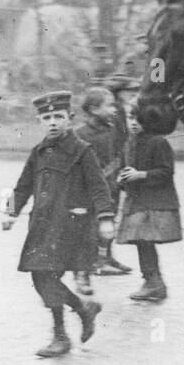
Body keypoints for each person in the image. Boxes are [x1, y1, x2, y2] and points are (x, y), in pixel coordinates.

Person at [3, 91, 111, 357]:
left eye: (58, 117)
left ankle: (61, 336)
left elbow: (99, 187)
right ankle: (82, 311)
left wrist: (106, 217)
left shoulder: (82, 151)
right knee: (41, 277)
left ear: (70, 119)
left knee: (45, 277)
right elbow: (23, 186)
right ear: (40, 120)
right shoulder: (38, 152)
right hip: (42, 226)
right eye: (47, 117)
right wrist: (10, 213)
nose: (52, 122)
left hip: (71, 227)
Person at [116, 100, 182, 302]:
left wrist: (142, 175)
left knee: (143, 241)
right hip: (136, 201)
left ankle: (153, 283)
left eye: (139, 119)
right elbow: (125, 170)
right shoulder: (129, 143)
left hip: (155, 203)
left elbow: (166, 171)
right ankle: (153, 283)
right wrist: (121, 180)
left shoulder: (158, 142)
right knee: (140, 242)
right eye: (130, 118)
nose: (134, 123)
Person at [72, 86, 121, 295]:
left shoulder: (113, 131)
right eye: (109, 106)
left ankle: (100, 262)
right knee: (85, 235)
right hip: (86, 193)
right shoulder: (79, 134)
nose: (114, 110)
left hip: (110, 190)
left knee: (104, 230)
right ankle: (81, 275)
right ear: (93, 109)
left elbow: (119, 154)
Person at [93, 74, 135, 275]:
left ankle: (107, 257)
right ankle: (100, 260)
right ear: (120, 92)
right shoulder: (115, 113)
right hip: (111, 170)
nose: (133, 93)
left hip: (116, 167)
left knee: (111, 214)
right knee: (106, 214)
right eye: (129, 90)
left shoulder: (120, 111)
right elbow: (115, 143)